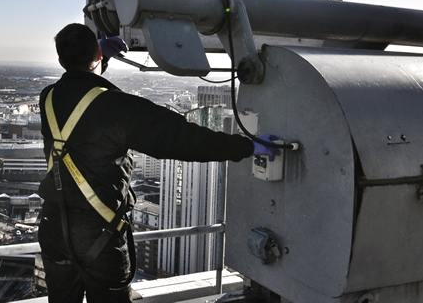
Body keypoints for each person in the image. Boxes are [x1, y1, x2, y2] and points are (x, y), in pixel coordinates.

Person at [37, 23, 276, 302]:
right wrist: (248, 146)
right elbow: (182, 138)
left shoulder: (48, 98)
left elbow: (80, 94)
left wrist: (100, 57)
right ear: (97, 56)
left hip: (54, 230)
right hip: (99, 236)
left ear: (61, 62)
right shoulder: (118, 107)